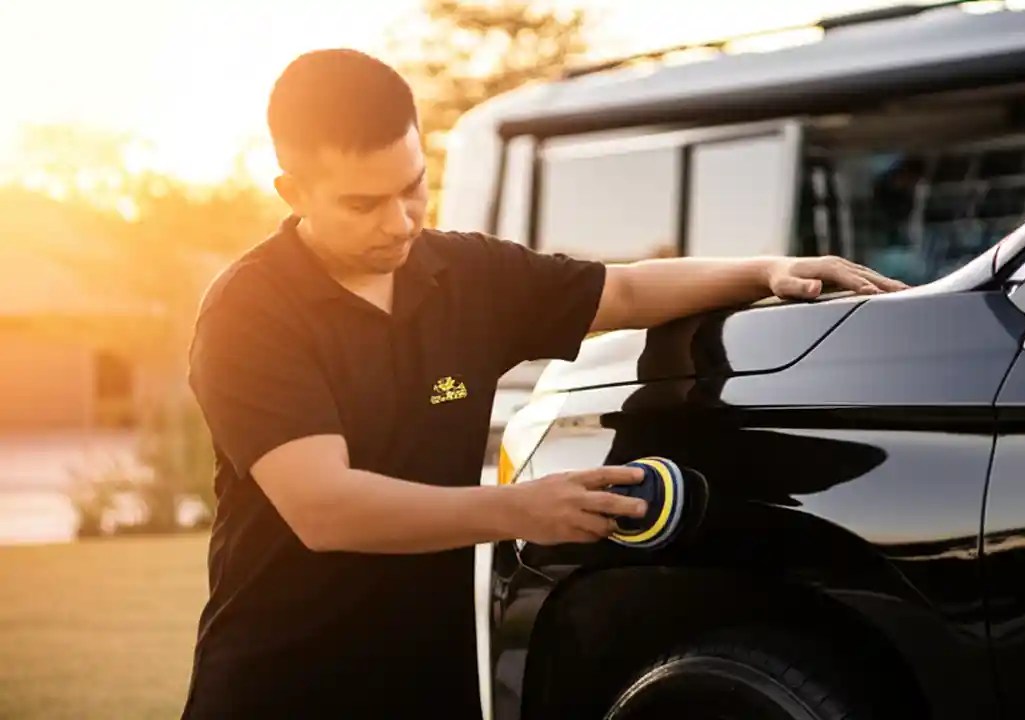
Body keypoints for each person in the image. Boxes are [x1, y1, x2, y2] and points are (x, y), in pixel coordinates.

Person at [180, 48, 907, 719]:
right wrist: (520, 509)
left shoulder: (468, 275)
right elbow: (326, 509)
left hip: (429, 683)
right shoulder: (250, 312)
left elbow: (618, 294)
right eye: (362, 205)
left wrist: (763, 272)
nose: (399, 223)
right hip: (279, 686)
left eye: (413, 188)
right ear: (292, 190)